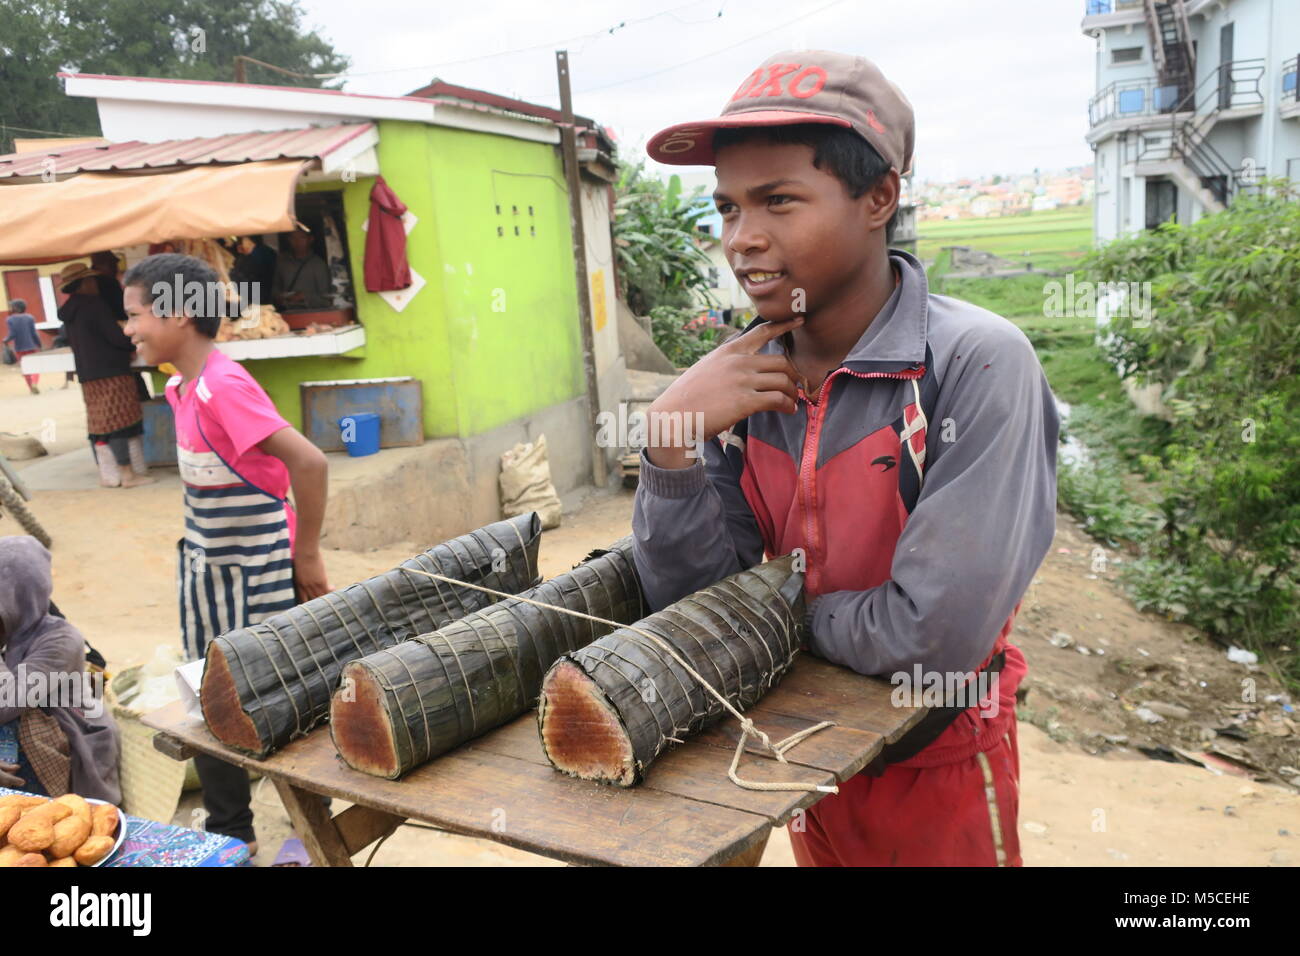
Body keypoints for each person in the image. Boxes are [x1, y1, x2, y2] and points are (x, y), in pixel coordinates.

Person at [632, 51, 1058, 867]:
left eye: (779, 200)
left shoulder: (974, 366)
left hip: (933, 765)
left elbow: (931, 635)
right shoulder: (737, 382)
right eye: (727, 207)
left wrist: (770, 620)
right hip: (797, 760)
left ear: (879, 197)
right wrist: (670, 443)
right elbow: (693, 606)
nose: (743, 240)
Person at [122, 252, 332, 854]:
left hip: (261, 575)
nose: (128, 329)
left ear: (179, 314)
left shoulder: (223, 387)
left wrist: (306, 555)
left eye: (134, 314)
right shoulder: (179, 387)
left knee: (284, 700)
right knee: (208, 695)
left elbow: (310, 463)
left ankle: (310, 832)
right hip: (209, 578)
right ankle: (230, 831)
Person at [0, 536, 122, 804]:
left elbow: (5, 703)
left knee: (25, 730)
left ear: (19, 598)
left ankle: (34, 810)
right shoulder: (9, 631)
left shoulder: (61, 640)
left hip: (69, 739)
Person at [55, 263, 154, 488]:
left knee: (100, 423)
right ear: (84, 283)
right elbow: (116, 337)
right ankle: (128, 475)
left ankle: (109, 475)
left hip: (88, 375)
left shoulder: (70, 312)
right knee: (119, 421)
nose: (95, 284)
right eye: (91, 280)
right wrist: (131, 342)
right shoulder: (94, 305)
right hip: (112, 372)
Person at [271, 230, 331, 311]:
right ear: (288, 240)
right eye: (293, 238)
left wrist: (305, 297)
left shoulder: (319, 265)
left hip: (312, 314)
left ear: (310, 239)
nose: (297, 242)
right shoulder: (282, 263)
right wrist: (279, 297)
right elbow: (275, 288)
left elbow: (327, 300)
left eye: (302, 238)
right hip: (287, 313)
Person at [4, 298, 42, 393]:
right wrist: (39, 344)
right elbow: (34, 333)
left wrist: (6, 340)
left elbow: (12, 334)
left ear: (16, 308)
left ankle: (30, 388)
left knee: (25, 368)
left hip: (19, 348)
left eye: (12, 306)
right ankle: (34, 382)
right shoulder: (30, 317)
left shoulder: (10, 319)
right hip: (32, 347)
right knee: (35, 366)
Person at [229, 235, 277, 310]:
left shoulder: (261, 255)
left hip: (254, 302)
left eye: (239, 240)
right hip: (255, 301)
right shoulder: (267, 252)